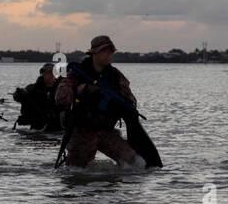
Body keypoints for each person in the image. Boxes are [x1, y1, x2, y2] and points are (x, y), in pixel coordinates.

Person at [54, 35, 162, 169]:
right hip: (82, 131)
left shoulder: (115, 76)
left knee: (136, 163)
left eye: (110, 51)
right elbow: (60, 98)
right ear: (94, 53)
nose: (108, 55)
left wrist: (121, 105)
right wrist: (81, 90)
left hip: (106, 130)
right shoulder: (77, 72)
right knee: (75, 171)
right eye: (104, 51)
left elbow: (131, 100)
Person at [13, 63, 62, 132]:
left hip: (56, 127)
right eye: (49, 73)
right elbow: (17, 97)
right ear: (42, 74)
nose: (52, 75)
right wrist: (19, 94)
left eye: (54, 73)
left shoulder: (60, 89)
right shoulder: (32, 88)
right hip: (36, 127)